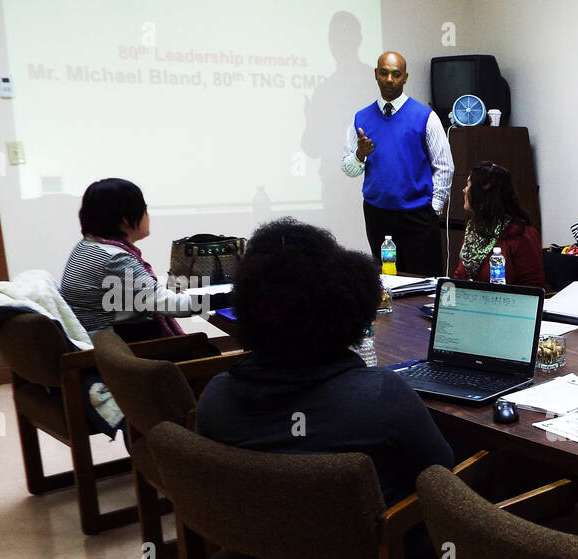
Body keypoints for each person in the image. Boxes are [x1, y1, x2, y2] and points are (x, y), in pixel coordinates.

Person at [195, 218, 453, 509]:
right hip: (379, 550)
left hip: (253, 547)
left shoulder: (215, 398)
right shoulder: (382, 394)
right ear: (345, 307)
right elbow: (440, 470)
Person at [341, 51, 453, 276]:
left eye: (395, 74)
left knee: (424, 283)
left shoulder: (425, 117)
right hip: (377, 215)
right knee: (387, 280)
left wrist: (434, 208)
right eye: (384, 73)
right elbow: (348, 168)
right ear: (376, 74)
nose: (389, 79)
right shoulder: (361, 118)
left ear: (405, 77)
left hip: (418, 215)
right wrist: (360, 155)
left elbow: (444, 166)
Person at [60, 178, 196, 339]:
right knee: (207, 351)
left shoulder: (87, 247)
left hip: (103, 343)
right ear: (125, 218)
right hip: (119, 350)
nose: (148, 215)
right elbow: (172, 305)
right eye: (144, 209)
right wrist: (224, 297)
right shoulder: (114, 259)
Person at [453, 162, 547, 288]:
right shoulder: (474, 229)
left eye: (469, 185)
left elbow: (534, 287)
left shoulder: (521, 234)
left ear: (483, 193)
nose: (464, 190)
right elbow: (460, 277)